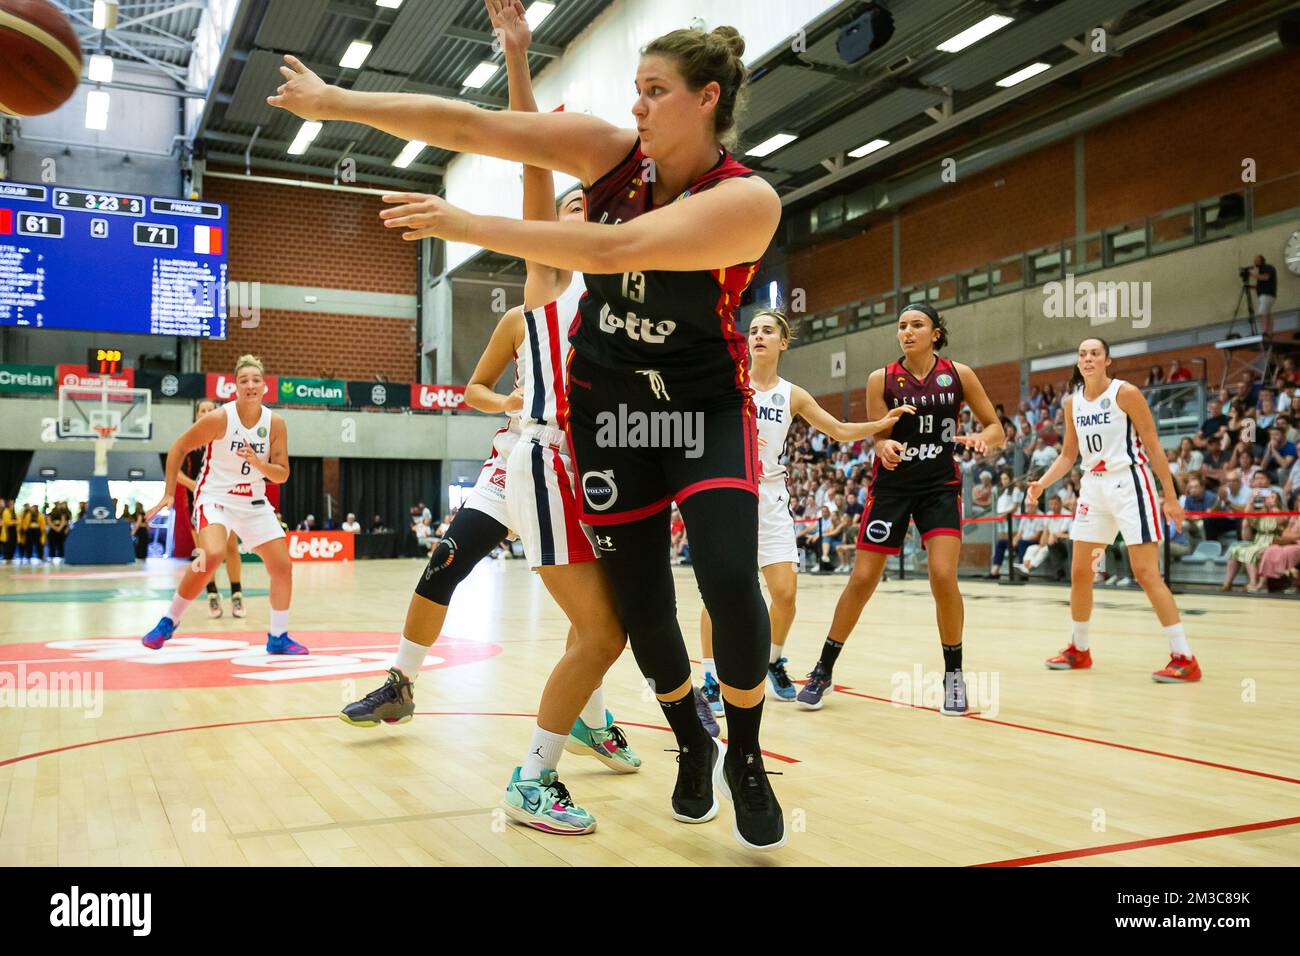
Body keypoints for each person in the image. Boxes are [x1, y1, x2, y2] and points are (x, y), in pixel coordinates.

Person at [274, 17, 790, 848]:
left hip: (699, 408)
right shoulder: (609, 154)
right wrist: (336, 100)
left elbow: (617, 245)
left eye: (656, 92)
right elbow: (476, 127)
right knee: (645, 614)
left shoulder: (747, 199)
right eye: (637, 89)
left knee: (731, 575)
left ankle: (747, 755)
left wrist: (461, 224)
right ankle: (692, 744)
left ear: (707, 99)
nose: (639, 106)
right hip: (607, 418)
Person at [340, 0, 644, 838]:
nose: (575, 221)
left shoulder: (627, 291)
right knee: (470, 576)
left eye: (592, 215)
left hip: (594, 469)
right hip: (528, 459)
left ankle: (586, 718)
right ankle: (417, 690)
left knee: (603, 620)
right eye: (567, 217)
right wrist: (518, 55)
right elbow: (531, 167)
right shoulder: (548, 285)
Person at [697, 309, 911, 709]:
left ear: (783, 343)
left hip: (773, 499)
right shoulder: (730, 384)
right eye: (754, 330)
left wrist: (881, 424)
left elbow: (839, 430)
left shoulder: (791, 394)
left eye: (768, 331)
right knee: (719, 596)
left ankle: (773, 661)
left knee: (786, 594)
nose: (758, 336)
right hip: (729, 496)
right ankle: (710, 677)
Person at [797, 304, 1005, 713]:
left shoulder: (959, 375)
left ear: (935, 333)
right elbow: (878, 434)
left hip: (939, 487)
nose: (907, 332)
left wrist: (985, 440)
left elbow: (995, 427)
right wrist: (882, 445)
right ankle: (823, 668)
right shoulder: (881, 379)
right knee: (861, 580)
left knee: (944, 575)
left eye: (916, 325)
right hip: (892, 488)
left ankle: (954, 676)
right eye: (902, 326)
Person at [1030, 338, 1200, 682]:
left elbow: (1153, 444)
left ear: (1107, 360)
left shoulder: (1126, 393)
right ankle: (1079, 649)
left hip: (1129, 483)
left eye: (1095, 353)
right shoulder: (1071, 402)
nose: (1088, 358)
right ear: (1078, 363)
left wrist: (1170, 496)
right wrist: (1042, 483)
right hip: (1093, 487)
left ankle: (1184, 657)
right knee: (1081, 572)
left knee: (1145, 573)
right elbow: (1067, 455)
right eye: (1082, 354)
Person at [141, 355, 306, 655]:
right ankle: (169, 620)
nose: (250, 385)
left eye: (256, 380)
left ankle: (278, 637)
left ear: (264, 387)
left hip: (254, 501)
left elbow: (282, 474)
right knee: (213, 554)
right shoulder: (220, 418)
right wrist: (168, 493)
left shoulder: (275, 423)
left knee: (282, 567)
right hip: (215, 497)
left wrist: (259, 463)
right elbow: (178, 447)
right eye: (244, 381)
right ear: (235, 387)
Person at [176, 399, 248, 619]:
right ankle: (212, 595)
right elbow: (176, 473)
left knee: (231, 547)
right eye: (202, 410)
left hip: (227, 500)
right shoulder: (189, 440)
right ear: (196, 415)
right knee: (205, 554)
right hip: (198, 502)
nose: (207, 413)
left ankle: (237, 594)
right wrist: (196, 486)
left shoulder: (228, 439)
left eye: (211, 409)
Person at [1223, 489, 1282, 592]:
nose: (1269, 499)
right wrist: (1252, 499)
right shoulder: (1261, 513)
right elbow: (1247, 514)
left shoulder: (1282, 513)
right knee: (1234, 549)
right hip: (1259, 540)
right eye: (1268, 497)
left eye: (1272, 497)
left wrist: (1273, 507)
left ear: (1278, 501)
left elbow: (1282, 521)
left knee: (1251, 552)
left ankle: (1253, 583)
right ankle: (1228, 582)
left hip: (1273, 542)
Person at [1258, 494, 1300, 590]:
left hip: (1295, 544)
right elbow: (1285, 533)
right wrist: (1293, 537)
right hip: (1290, 541)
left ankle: (1294, 584)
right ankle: (1263, 582)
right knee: (1271, 549)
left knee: (1290, 551)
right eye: (1298, 500)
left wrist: (1293, 537)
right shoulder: (1294, 515)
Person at [1251, 254, 1277, 337]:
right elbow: (1261, 285)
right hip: (1266, 295)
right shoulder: (1261, 271)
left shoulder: (1267, 268)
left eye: (1256, 261)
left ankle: (1265, 332)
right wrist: (1251, 287)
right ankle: (1270, 332)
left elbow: (1265, 277)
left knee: (1262, 312)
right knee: (1267, 313)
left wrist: (1251, 275)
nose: (1255, 263)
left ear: (1261, 260)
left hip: (1267, 294)